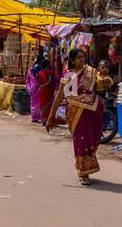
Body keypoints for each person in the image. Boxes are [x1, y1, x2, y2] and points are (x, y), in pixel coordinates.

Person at [48, 49, 103, 185]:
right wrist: (51, 116)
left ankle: (89, 167)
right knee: (80, 142)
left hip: (90, 111)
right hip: (75, 112)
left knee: (89, 139)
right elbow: (61, 96)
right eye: (79, 58)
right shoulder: (70, 75)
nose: (82, 60)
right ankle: (83, 173)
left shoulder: (90, 72)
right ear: (72, 60)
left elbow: (97, 87)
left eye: (83, 57)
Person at [27, 52, 54, 123]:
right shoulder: (48, 71)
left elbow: (38, 79)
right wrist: (44, 85)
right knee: (47, 104)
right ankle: (45, 119)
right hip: (46, 90)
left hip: (40, 89)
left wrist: (41, 86)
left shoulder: (39, 71)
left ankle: (41, 119)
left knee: (41, 104)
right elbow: (49, 80)